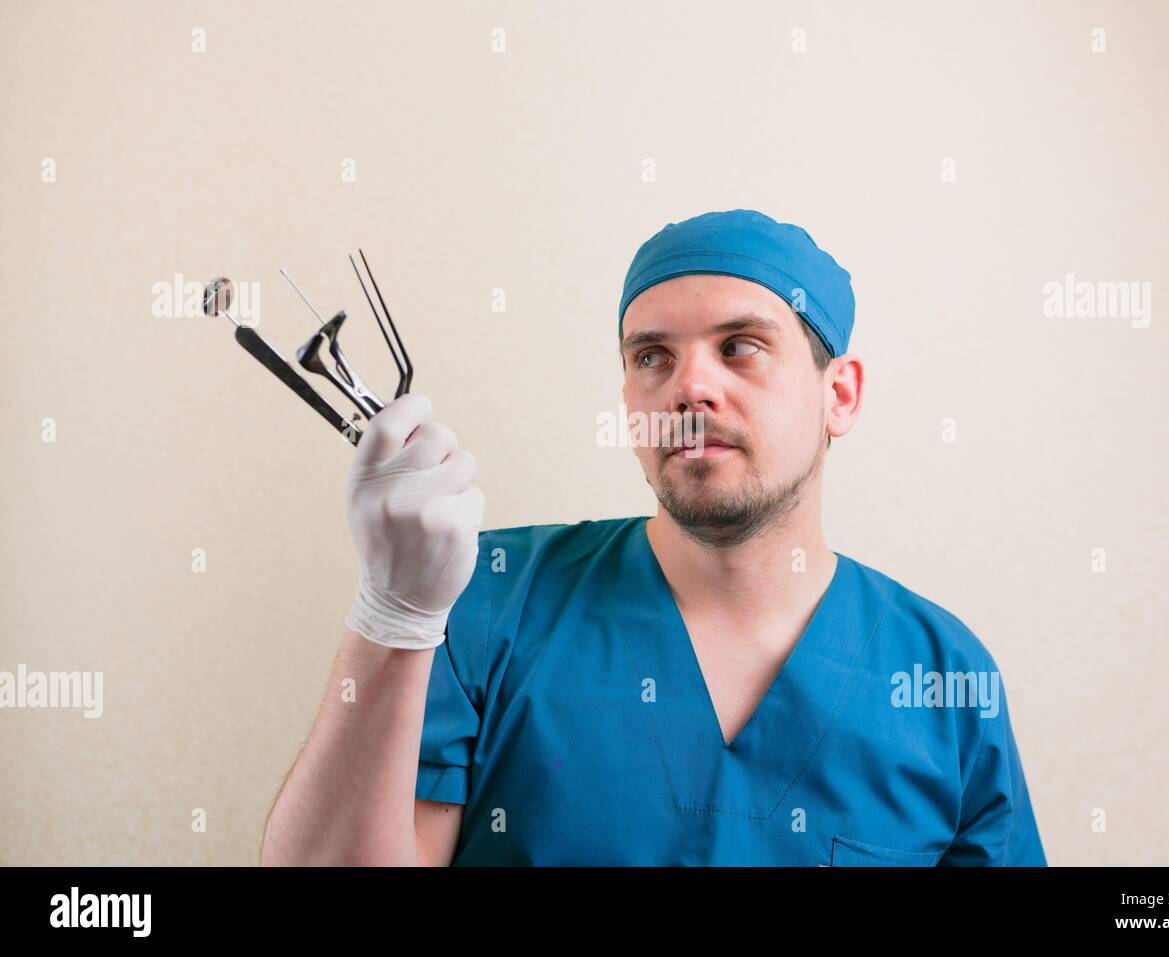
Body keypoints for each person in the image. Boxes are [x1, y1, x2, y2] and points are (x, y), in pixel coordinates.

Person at [260, 209, 1048, 867]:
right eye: (652, 356)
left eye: (740, 346)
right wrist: (391, 615)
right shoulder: (484, 601)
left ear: (838, 395)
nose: (689, 386)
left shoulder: (942, 680)